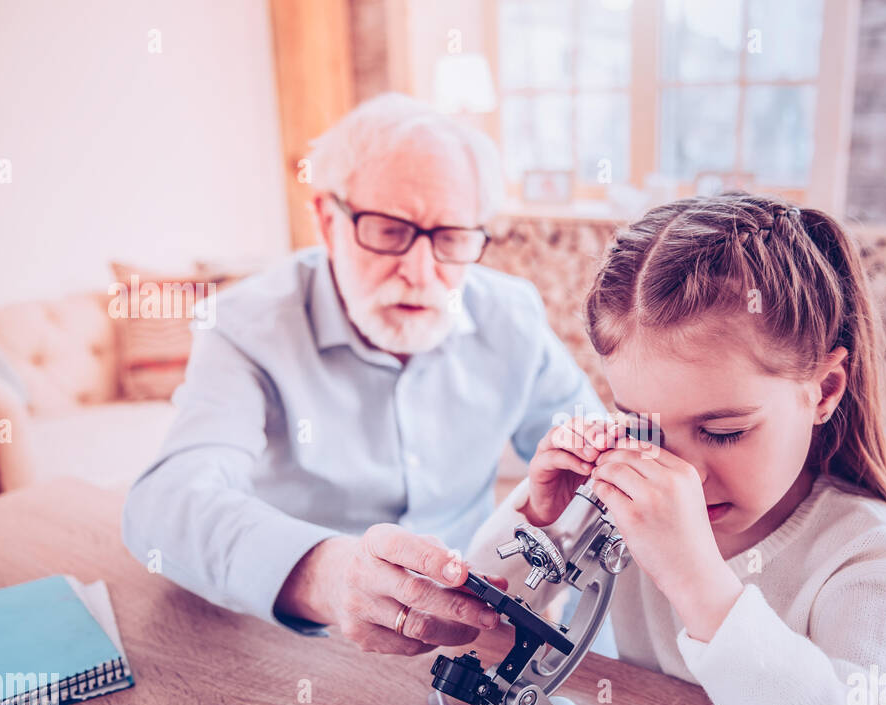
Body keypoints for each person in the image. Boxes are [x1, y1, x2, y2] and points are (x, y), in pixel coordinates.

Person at [466, 192, 886, 705]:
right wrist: (539, 516)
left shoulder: (864, 549)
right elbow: (475, 637)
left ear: (824, 390)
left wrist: (699, 582)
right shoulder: (621, 501)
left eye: (723, 430)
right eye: (644, 425)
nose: (681, 475)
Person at [122, 93, 604, 654]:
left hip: (472, 630)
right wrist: (322, 575)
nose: (421, 272)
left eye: (450, 238)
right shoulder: (245, 325)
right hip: (305, 639)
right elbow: (165, 502)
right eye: (388, 230)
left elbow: (592, 453)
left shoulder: (511, 315)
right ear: (327, 221)